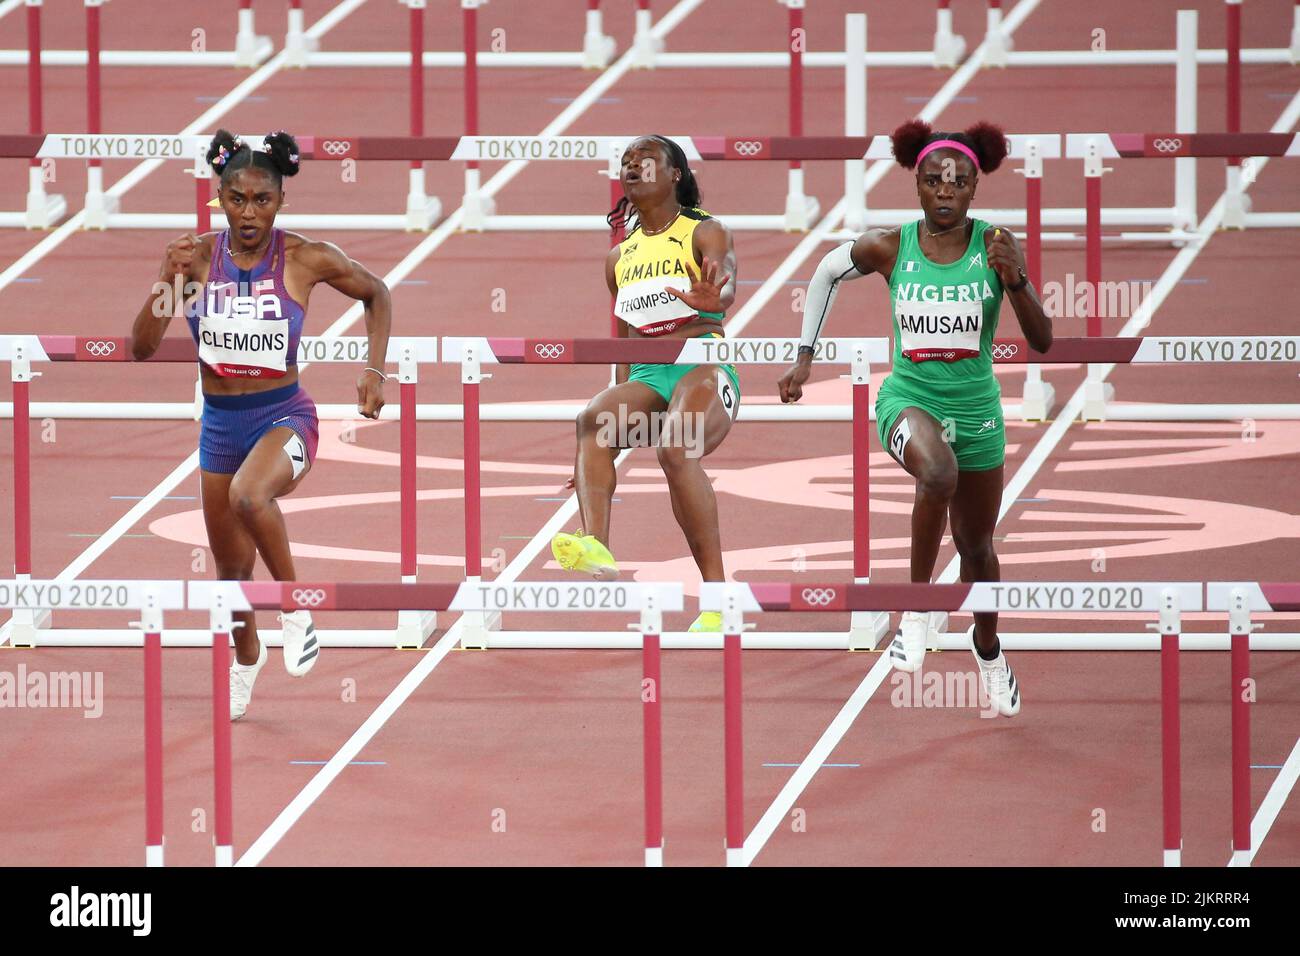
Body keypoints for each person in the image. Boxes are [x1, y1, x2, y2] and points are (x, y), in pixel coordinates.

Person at [778, 119, 1053, 716]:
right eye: (934, 181)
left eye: (958, 182)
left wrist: (1020, 279)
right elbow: (826, 271)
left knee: (976, 546)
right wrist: (804, 357)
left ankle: (987, 648)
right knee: (937, 474)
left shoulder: (996, 245)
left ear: (975, 188)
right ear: (918, 188)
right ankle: (918, 609)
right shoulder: (890, 247)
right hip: (907, 401)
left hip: (977, 410)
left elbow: (1044, 340)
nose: (946, 191)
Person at [131, 130, 392, 719]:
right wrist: (165, 281)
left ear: (281, 202)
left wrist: (374, 369)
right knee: (229, 574)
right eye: (237, 199)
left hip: (285, 415)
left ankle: (296, 607)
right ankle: (246, 657)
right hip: (220, 424)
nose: (250, 213)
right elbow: (142, 346)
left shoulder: (305, 257)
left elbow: (376, 293)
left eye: (263, 200)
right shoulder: (193, 258)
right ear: (218, 198)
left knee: (252, 497)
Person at [551, 135, 740, 632]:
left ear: (675, 173)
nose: (632, 167)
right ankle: (596, 546)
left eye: (645, 160)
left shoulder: (705, 232)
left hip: (704, 362)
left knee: (677, 449)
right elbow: (625, 351)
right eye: (626, 163)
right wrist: (609, 442)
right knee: (592, 420)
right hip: (650, 374)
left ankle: (718, 600)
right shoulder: (620, 259)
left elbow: (728, 284)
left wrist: (715, 299)